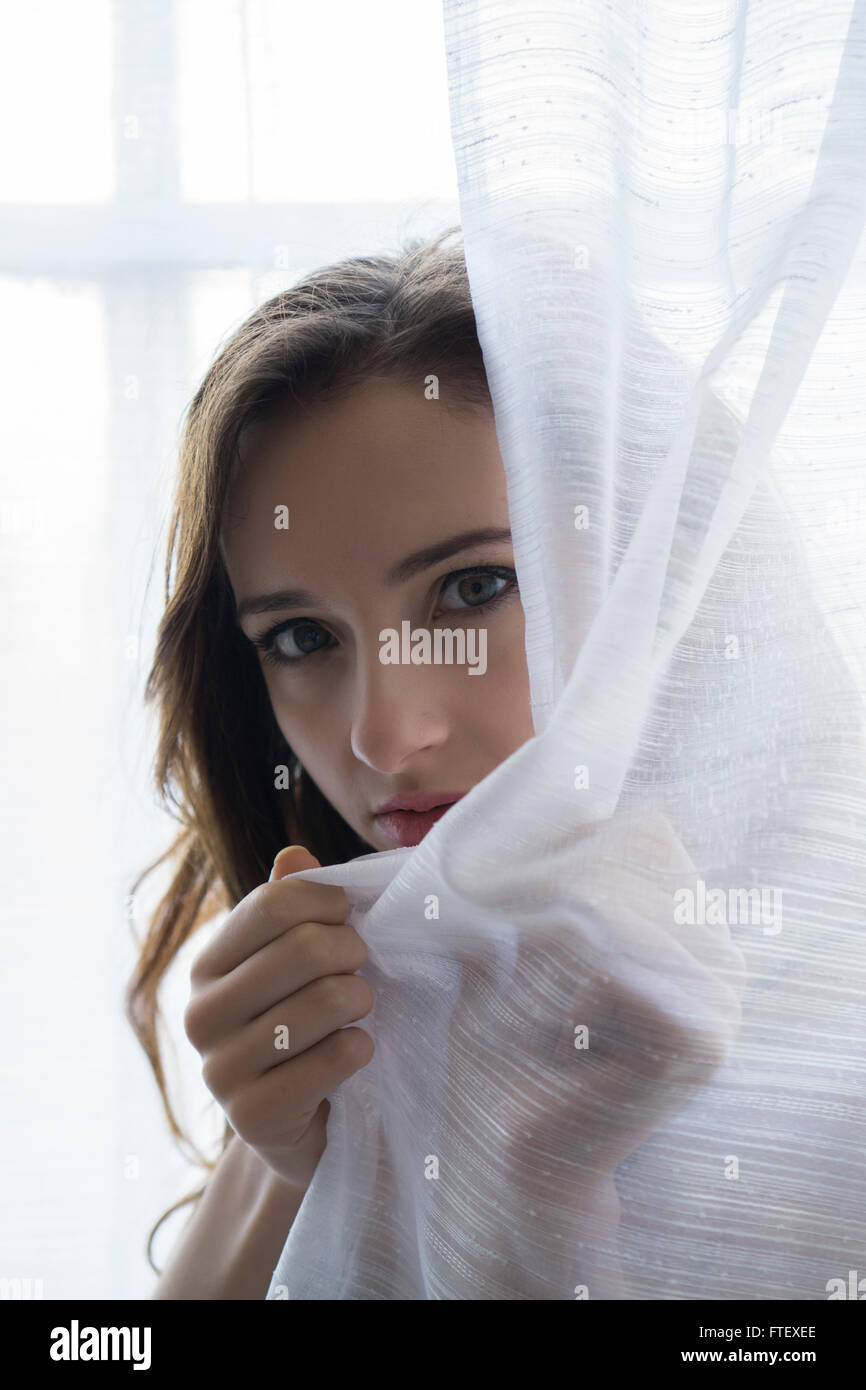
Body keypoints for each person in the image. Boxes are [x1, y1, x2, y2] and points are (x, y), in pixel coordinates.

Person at [128, 226, 537, 1298]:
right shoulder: (367, 1008)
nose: (381, 739)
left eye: (471, 587)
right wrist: (292, 1167)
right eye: (302, 638)